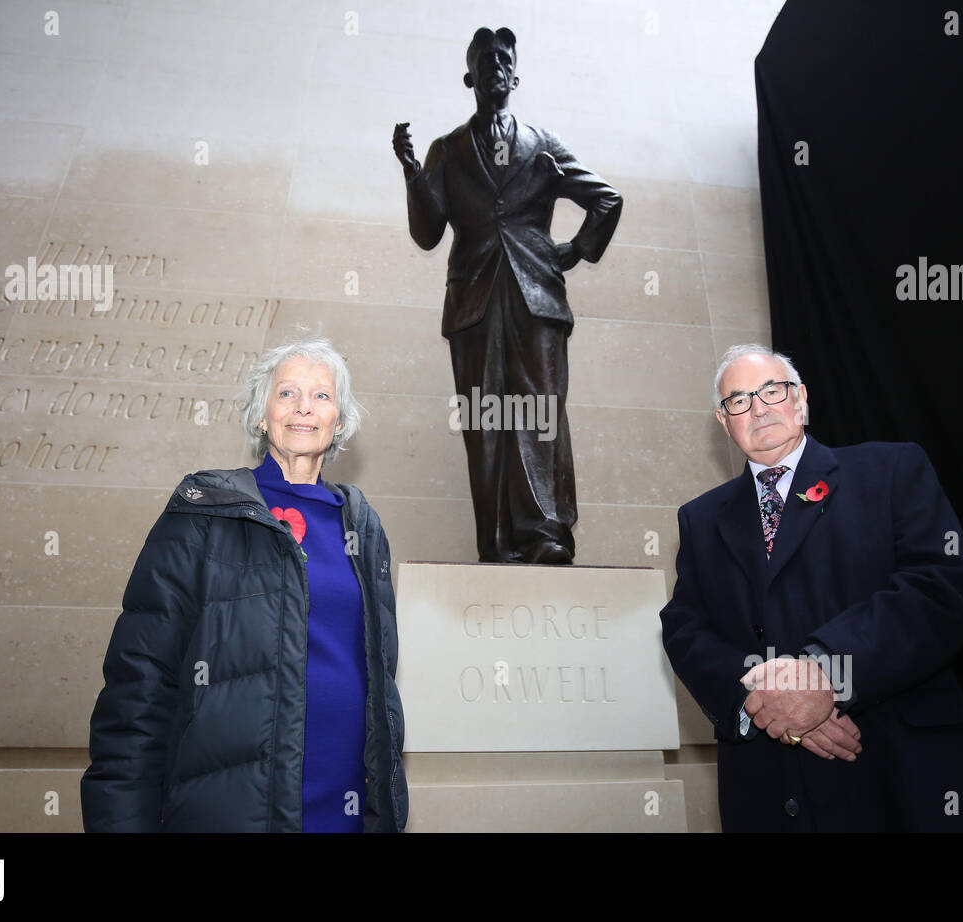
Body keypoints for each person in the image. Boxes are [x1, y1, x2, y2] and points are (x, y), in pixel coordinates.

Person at [659, 343, 963, 831]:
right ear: (724, 423)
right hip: (769, 782)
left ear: (801, 399)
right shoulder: (699, 518)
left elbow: (937, 586)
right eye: (737, 400)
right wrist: (766, 705)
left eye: (772, 391)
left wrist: (825, 675)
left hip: (899, 769)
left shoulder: (890, 471)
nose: (758, 408)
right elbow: (684, 628)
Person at [81, 337, 407, 833]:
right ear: (262, 415)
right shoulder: (206, 511)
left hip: (348, 809)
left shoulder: (362, 527)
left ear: (339, 421)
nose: (303, 407)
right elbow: (140, 684)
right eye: (287, 393)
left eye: (322, 396)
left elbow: (380, 681)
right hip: (235, 812)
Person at [393, 26, 622, 564]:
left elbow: (607, 199)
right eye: (485, 59)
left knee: (539, 410)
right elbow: (428, 233)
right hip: (473, 298)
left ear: (514, 75)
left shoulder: (541, 144)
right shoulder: (446, 150)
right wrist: (412, 175)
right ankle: (495, 543)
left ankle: (545, 533)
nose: (496, 65)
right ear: (471, 76)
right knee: (485, 417)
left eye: (504, 58)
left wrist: (575, 250)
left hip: (535, 295)